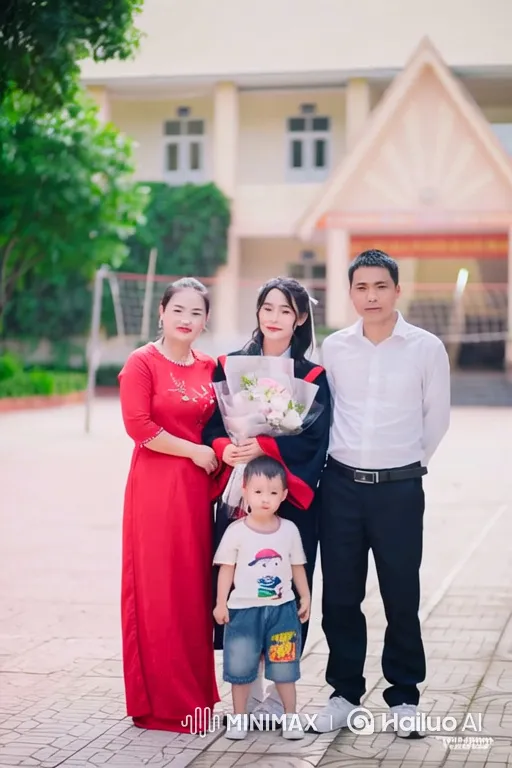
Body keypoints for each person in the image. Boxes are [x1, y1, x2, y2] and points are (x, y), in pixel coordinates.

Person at [315, 249, 451, 738]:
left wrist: (405, 467)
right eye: (360, 287)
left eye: (379, 286)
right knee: (341, 597)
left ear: (397, 289)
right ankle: (344, 692)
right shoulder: (334, 348)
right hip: (341, 488)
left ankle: (405, 696)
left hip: (398, 490)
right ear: (349, 292)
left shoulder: (425, 347)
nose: (370, 296)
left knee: (400, 594)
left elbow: (436, 419)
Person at [203, 276, 331, 719]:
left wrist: (268, 447)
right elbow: (212, 427)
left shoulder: (312, 377)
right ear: (258, 312)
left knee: (284, 593)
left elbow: (315, 442)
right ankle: (248, 685)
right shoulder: (230, 366)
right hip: (240, 496)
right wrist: (226, 449)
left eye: (285, 311)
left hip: (288, 505)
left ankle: (279, 692)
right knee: (240, 588)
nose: (274, 318)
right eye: (267, 308)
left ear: (299, 319)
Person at [118, 277, 220, 733]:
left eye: (196, 313)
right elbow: (138, 425)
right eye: (178, 310)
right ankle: (160, 703)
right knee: (158, 588)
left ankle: (195, 697)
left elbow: (220, 423)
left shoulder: (210, 367)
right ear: (162, 311)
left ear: (205, 320)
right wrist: (196, 452)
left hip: (198, 493)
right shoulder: (142, 362)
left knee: (191, 589)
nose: (186, 320)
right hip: (156, 489)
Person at [213, 456, 311, 740]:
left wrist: (304, 597)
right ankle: (239, 718)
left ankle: (291, 717)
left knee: (284, 667)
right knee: (240, 667)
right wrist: (221, 603)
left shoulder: (289, 530)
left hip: (282, 612)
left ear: (284, 494)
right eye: (258, 492)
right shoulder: (236, 532)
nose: (265, 499)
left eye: (272, 492)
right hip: (243, 613)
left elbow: (297, 567)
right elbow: (226, 570)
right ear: (245, 491)